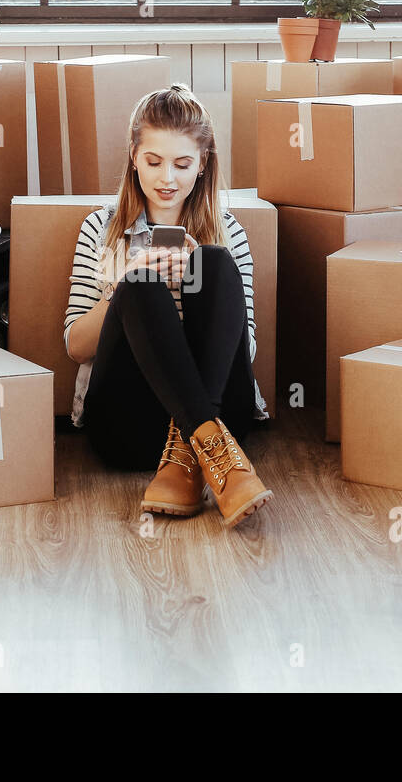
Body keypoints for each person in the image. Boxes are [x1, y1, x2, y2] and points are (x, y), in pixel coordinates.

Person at [63, 84, 272, 529]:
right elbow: (77, 347)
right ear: (134, 155)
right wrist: (121, 290)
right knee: (138, 283)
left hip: (219, 412)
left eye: (182, 164)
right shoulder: (100, 229)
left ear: (203, 165)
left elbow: (246, 352)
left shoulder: (228, 229)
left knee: (213, 262)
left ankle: (192, 450)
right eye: (154, 162)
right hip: (129, 425)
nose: (167, 179)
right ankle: (206, 452)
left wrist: (198, 279)